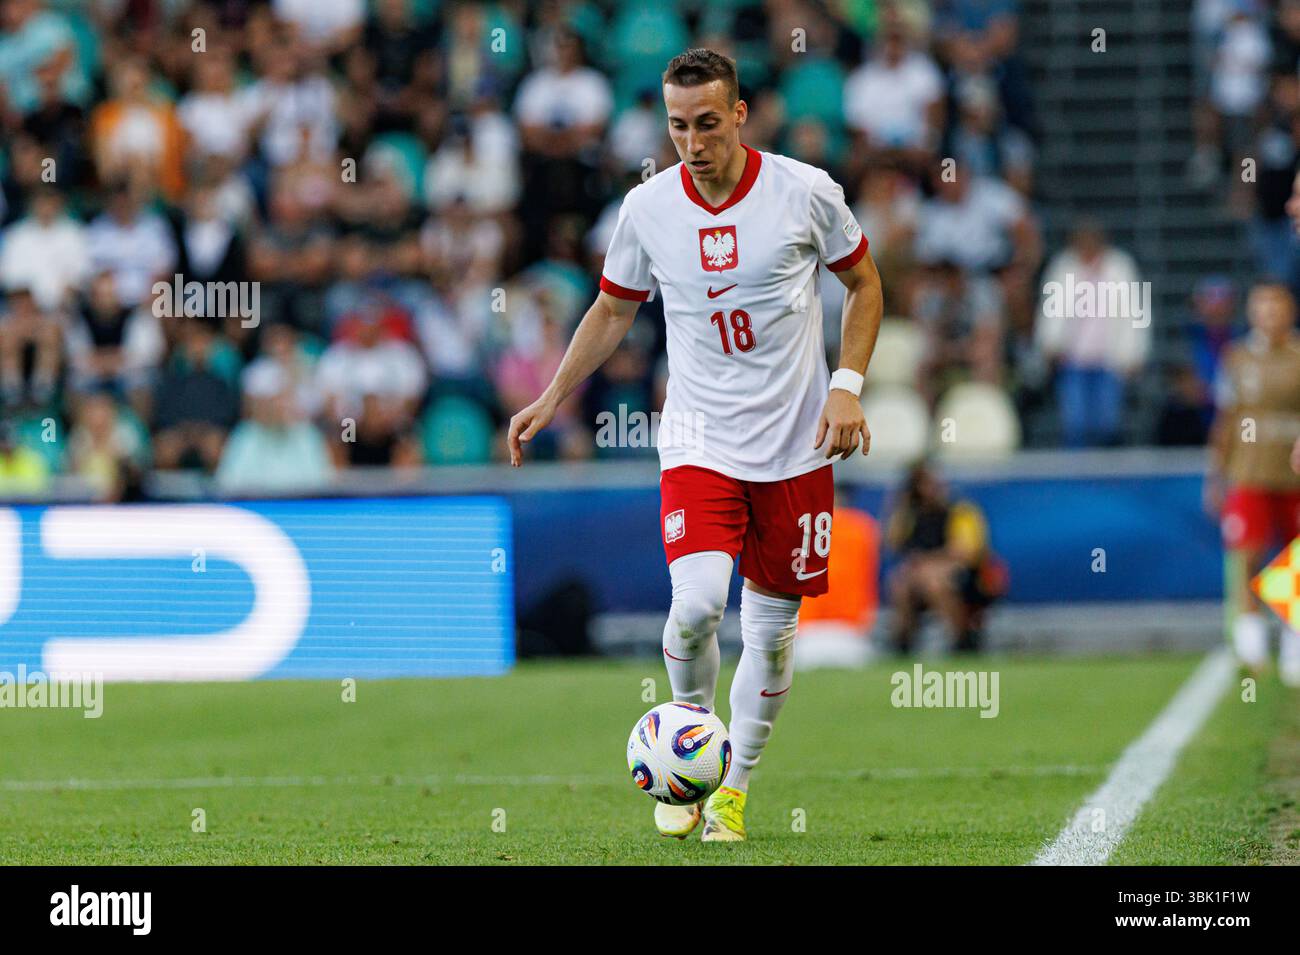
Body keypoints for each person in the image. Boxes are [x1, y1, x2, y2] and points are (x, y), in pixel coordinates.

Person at [507, 49, 884, 842]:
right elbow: (612, 311)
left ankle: (733, 788)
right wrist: (552, 395)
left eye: (707, 124)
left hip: (795, 443)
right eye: (678, 126)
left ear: (740, 115)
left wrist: (847, 383)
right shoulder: (648, 209)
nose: (692, 141)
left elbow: (865, 283)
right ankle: (688, 750)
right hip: (699, 438)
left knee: (773, 636)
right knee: (697, 609)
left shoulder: (804, 193)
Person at [1206, 281, 1300, 684]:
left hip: (1293, 477)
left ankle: (1294, 644)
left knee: (1294, 563)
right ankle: (1250, 643)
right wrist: (1216, 474)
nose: (1269, 315)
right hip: (1250, 473)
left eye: (1276, 307)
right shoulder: (1237, 359)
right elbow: (1226, 420)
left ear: (1290, 311)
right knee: (1247, 556)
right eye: (1261, 308)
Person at [885, 461, 1007, 654]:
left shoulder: (960, 511)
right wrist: (901, 505)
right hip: (920, 576)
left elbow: (966, 552)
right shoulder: (912, 515)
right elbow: (892, 542)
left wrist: (929, 562)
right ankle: (903, 642)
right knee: (900, 583)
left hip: (969, 578)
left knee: (934, 581)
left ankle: (962, 640)